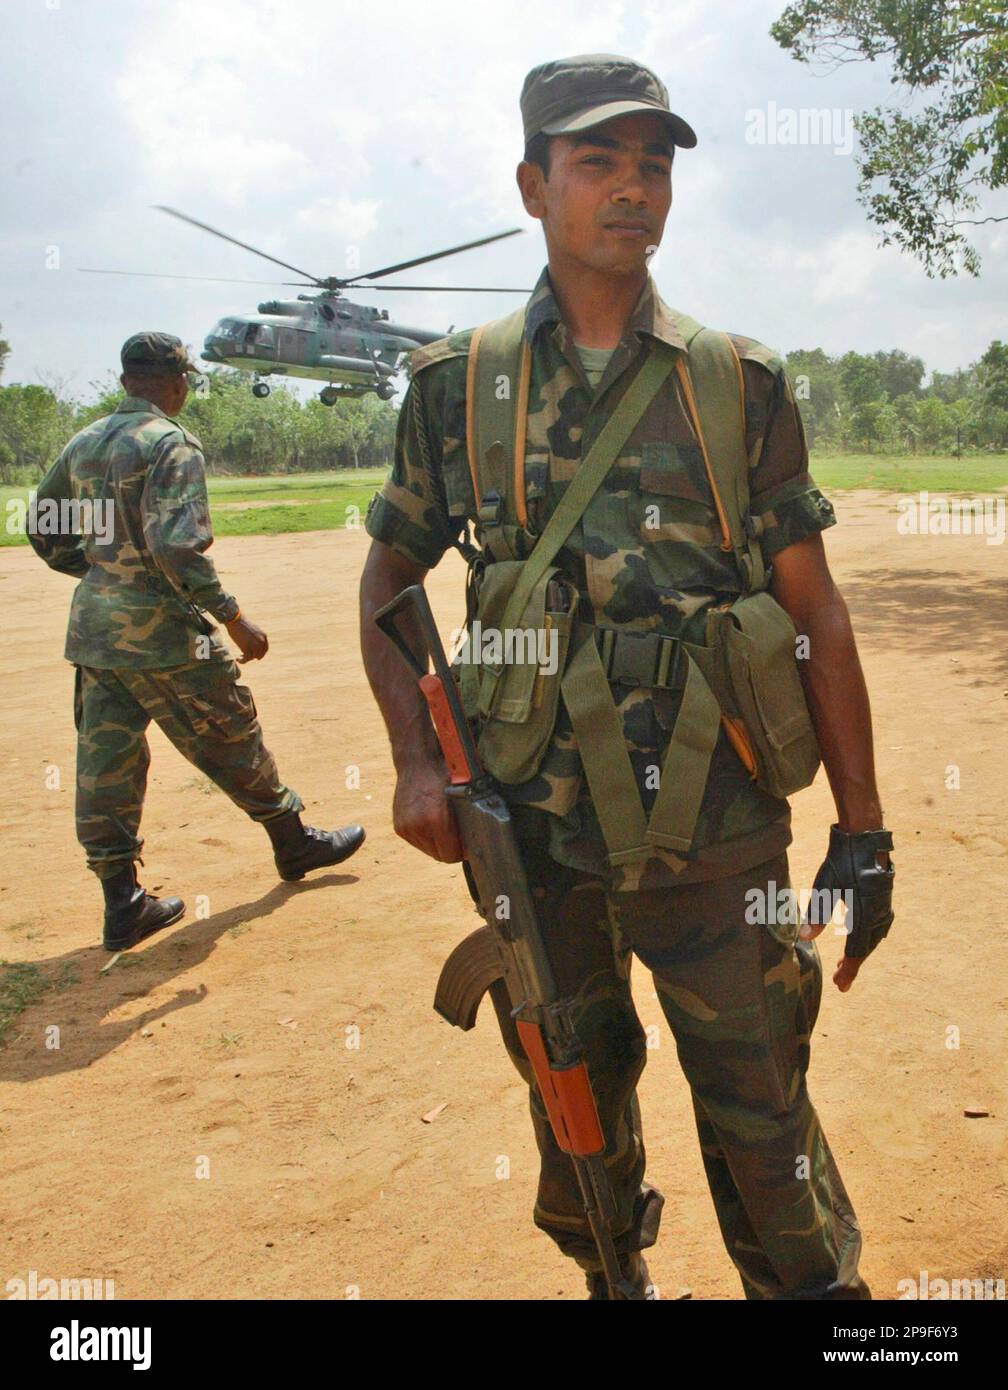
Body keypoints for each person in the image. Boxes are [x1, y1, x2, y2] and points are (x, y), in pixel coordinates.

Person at [359, 54, 894, 1300]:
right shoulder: (457, 389)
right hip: (535, 840)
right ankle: (616, 1280)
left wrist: (863, 832)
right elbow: (389, 586)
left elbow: (811, 608)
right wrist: (413, 761)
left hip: (722, 836)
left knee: (767, 1120)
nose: (633, 189)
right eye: (598, 162)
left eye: (654, 165)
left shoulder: (739, 383)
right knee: (575, 1106)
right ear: (533, 185)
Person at [29, 332, 365, 952]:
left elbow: (43, 527)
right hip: (164, 634)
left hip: (97, 634)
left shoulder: (84, 440)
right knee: (231, 731)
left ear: (128, 379)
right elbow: (175, 547)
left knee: (106, 766)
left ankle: (121, 903)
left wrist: (106, 575)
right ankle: (294, 842)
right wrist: (233, 617)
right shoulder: (170, 444)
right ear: (178, 383)